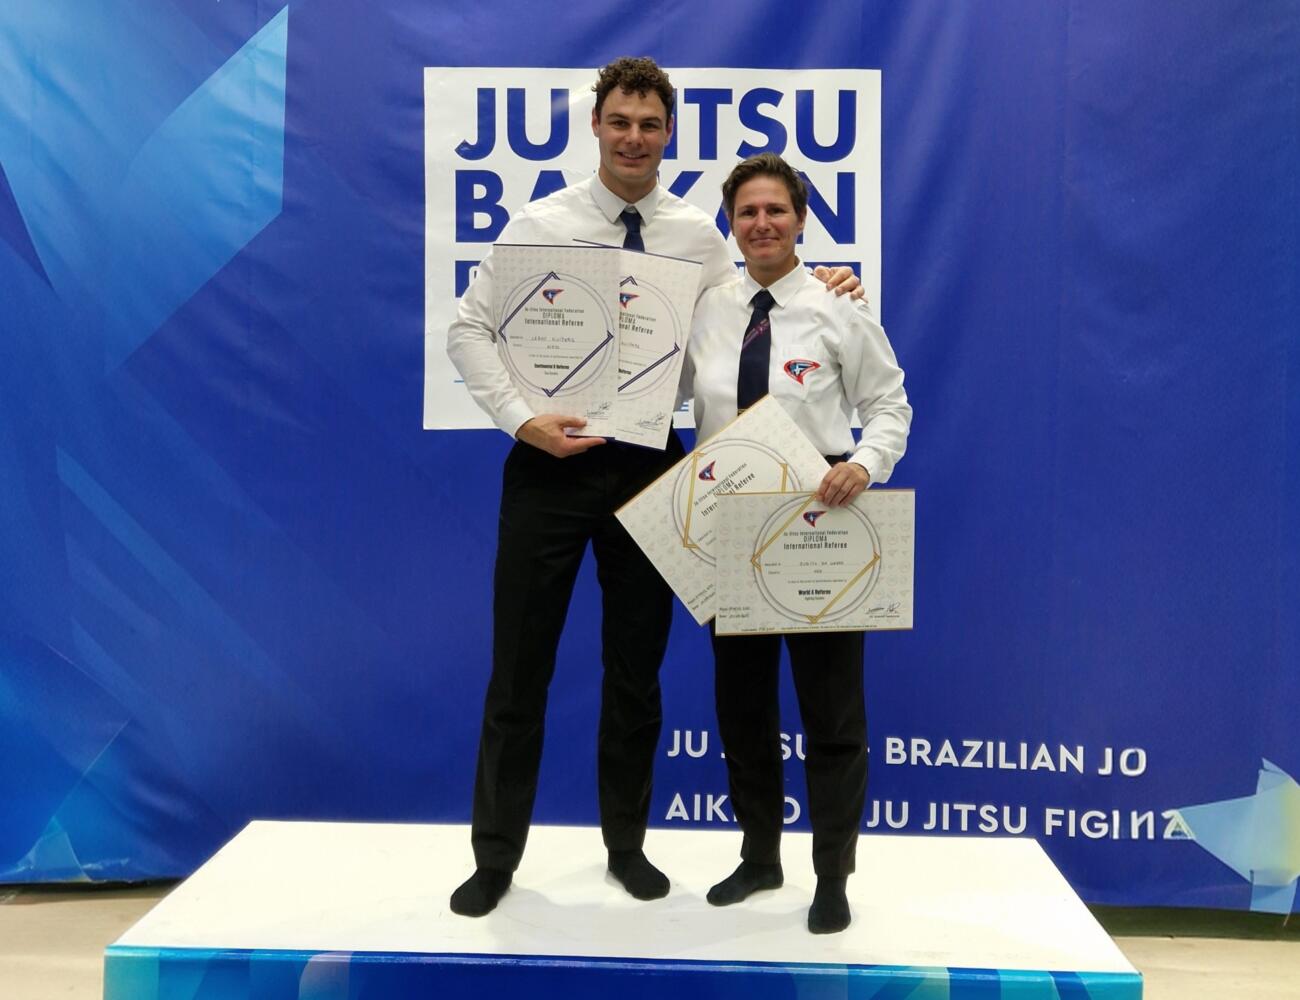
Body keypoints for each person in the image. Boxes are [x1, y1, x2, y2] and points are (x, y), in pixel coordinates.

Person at [445, 59, 862, 918]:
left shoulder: (700, 237)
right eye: (620, 121)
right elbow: (468, 330)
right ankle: (495, 859)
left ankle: (626, 849)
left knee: (636, 672)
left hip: (649, 464)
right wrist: (521, 419)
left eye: (649, 125)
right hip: (547, 466)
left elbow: (752, 312)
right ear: (596, 126)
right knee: (518, 672)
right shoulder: (542, 222)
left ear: (669, 133)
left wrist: (830, 284)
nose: (633, 138)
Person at [680, 152, 911, 933]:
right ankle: (759, 857)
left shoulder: (837, 305)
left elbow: (889, 405)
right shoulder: (708, 308)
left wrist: (866, 465)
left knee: (832, 714)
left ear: (802, 219)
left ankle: (832, 875)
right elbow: (660, 389)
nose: (762, 223)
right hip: (730, 526)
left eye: (776, 210)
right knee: (742, 707)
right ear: (730, 223)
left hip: (822, 525)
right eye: (747, 212)